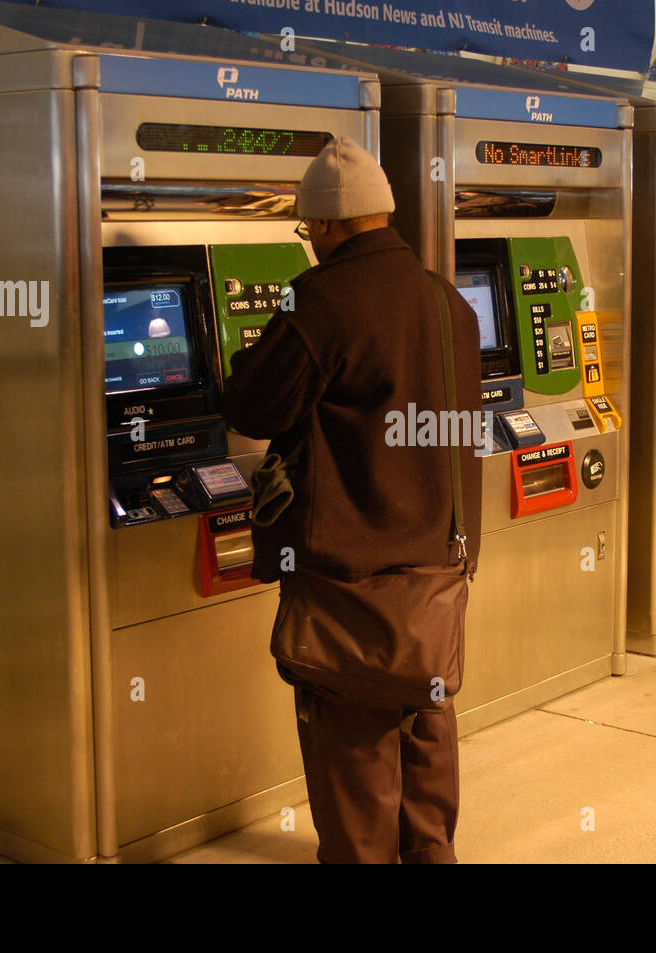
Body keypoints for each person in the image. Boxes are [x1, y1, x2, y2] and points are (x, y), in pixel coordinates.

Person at [220, 138, 483, 863]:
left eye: (309, 230)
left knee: (353, 740)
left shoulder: (323, 299)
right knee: (426, 718)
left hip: (351, 573)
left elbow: (254, 403)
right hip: (438, 562)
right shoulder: (448, 300)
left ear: (331, 224)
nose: (311, 244)